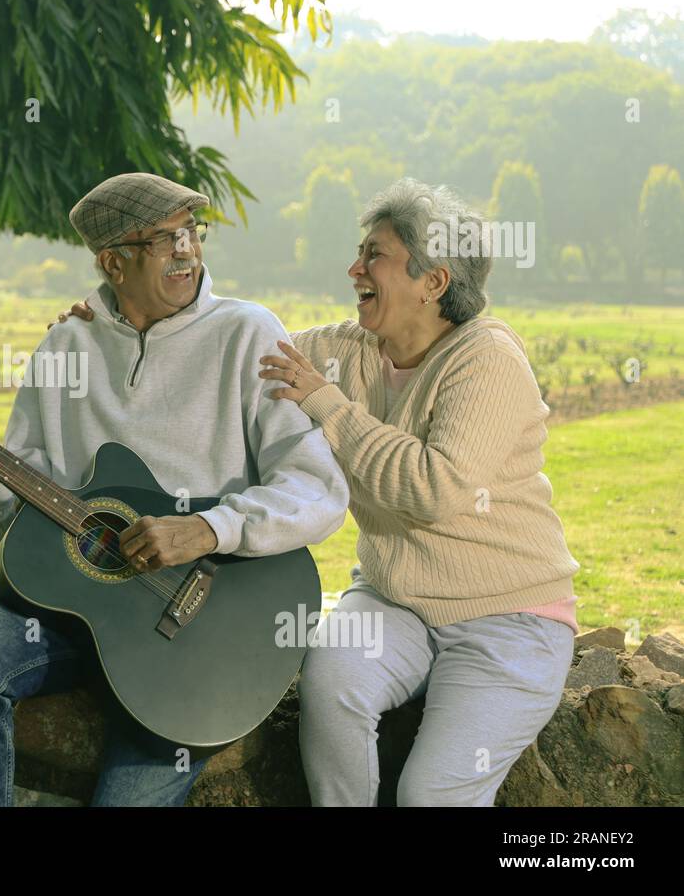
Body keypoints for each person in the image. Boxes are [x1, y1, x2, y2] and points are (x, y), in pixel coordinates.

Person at [56, 177, 578, 806]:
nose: (354, 267)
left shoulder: (487, 357)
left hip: (509, 619)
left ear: (432, 282)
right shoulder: (344, 351)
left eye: (374, 256)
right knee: (329, 691)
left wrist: (328, 405)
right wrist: (109, 318)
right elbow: (220, 348)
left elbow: (432, 488)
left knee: (430, 796)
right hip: (394, 603)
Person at [0, 172, 350, 806]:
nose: (186, 250)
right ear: (112, 262)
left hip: (205, 634)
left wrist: (209, 528)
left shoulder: (248, 333)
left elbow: (317, 488)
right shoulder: (66, 343)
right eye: (163, 239)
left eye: (191, 232)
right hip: (79, 619)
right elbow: (24, 527)